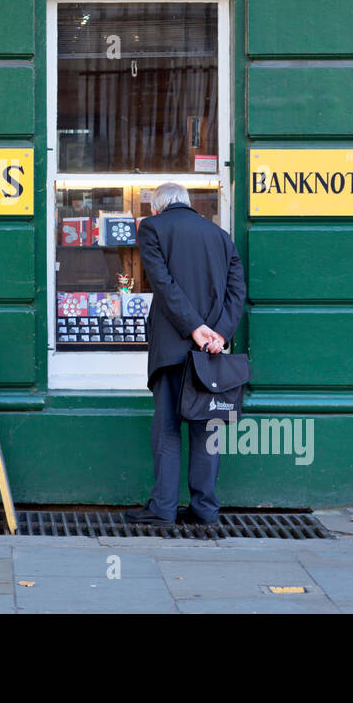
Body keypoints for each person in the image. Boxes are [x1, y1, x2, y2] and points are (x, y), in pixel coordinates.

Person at [124, 182, 246, 527]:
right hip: (210, 355)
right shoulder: (220, 235)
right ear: (188, 203)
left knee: (166, 429)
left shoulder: (152, 228)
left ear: (157, 207)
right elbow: (237, 290)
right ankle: (205, 510)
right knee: (207, 430)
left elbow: (162, 284)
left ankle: (163, 507)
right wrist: (218, 333)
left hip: (173, 348)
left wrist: (193, 328)